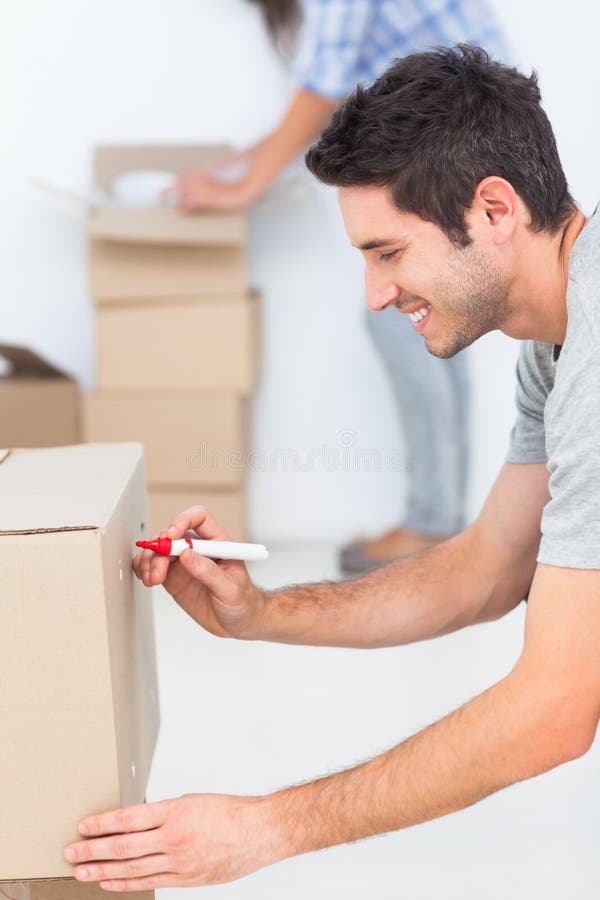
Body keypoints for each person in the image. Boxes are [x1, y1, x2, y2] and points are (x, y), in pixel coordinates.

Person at [63, 46, 599, 890]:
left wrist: (263, 827)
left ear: (494, 209)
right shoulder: (560, 340)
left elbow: (554, 710)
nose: (375, 294)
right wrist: (265, 614)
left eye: (387, 252)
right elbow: (491, 566)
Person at [170, 0, 509, 573]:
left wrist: (245, 186)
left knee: (401, 318)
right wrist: (238, 165)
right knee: (431, 322)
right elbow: (321, 107)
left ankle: (432, 524)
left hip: (455, 140)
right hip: (467, 137)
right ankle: (444, 523)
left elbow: (321, 87)